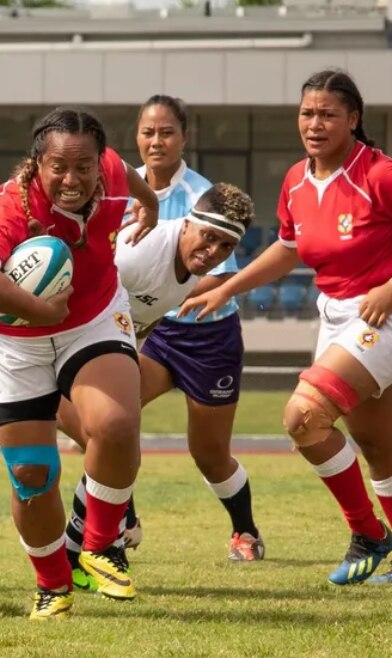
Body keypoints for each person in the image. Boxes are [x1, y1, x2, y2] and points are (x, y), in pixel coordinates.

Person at [180, 69, 392, 584]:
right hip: (336, 315)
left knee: (303, 417)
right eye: (307, 113)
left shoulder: (380, 175)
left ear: (353, 120)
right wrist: (226, 288)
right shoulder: (295, 180)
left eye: (328, 114)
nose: (315, 123)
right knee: (378, 445)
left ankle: (368, 533)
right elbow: (290, 248)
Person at [0, 106, 158, 620]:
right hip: (13, 339)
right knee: (32, 475)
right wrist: (40, 307)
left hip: (93, 317)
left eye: (83, 166)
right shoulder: (12, 208)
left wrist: (149, 204)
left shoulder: (107, 171)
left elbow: (128, 173)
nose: (72, 179)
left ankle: (100, 545)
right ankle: (52, 586)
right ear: (36, 164)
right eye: (58, 167)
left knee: (116, 421)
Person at [57, 181, 256, 589]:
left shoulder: (189, 263)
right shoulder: (138, 251)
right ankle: (96, 544)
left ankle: (81, 553)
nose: (213, 253)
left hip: (202, 341)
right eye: (209, 237)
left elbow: (134, 318)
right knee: (100, 441)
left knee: (195, 453)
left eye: (225, 247)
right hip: (55, 343)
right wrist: (12, 365)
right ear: (187, 224)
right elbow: (68, 287)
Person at [112, 94, 263, 562]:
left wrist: (170, 294)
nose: (156, 141)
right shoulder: (123, 187)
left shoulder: (204, 195)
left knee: (209, 454)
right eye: (147, 132)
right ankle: (125, 519)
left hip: (207, 337)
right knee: (107, 419)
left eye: (166, 132)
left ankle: (246, 533)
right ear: (137, 136)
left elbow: (221, 275)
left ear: (184, 138)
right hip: (152, 334)